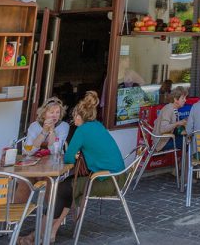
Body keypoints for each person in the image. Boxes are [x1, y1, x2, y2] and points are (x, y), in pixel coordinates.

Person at [19, 91, 124, 245]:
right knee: (66, 188)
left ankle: (38, 234)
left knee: (62, 190)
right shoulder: (97, 126)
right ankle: (48, 232)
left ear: (79, 116)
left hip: (107, 180)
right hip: (116, 176)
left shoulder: (82, 130)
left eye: (74, 116)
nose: (73, 120)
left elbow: (68, 157)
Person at [152, 87, 188, 152]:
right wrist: (177, 123)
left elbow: (175, 128)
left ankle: (184, 162)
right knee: (188, 142)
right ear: (175, 99)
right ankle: (188, 162)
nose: (185, 100)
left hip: (166, 139)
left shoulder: (174, 108)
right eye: (183, 98)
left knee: (187, 139)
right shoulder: (168, 109)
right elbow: (163, 129)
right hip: (161, 143)